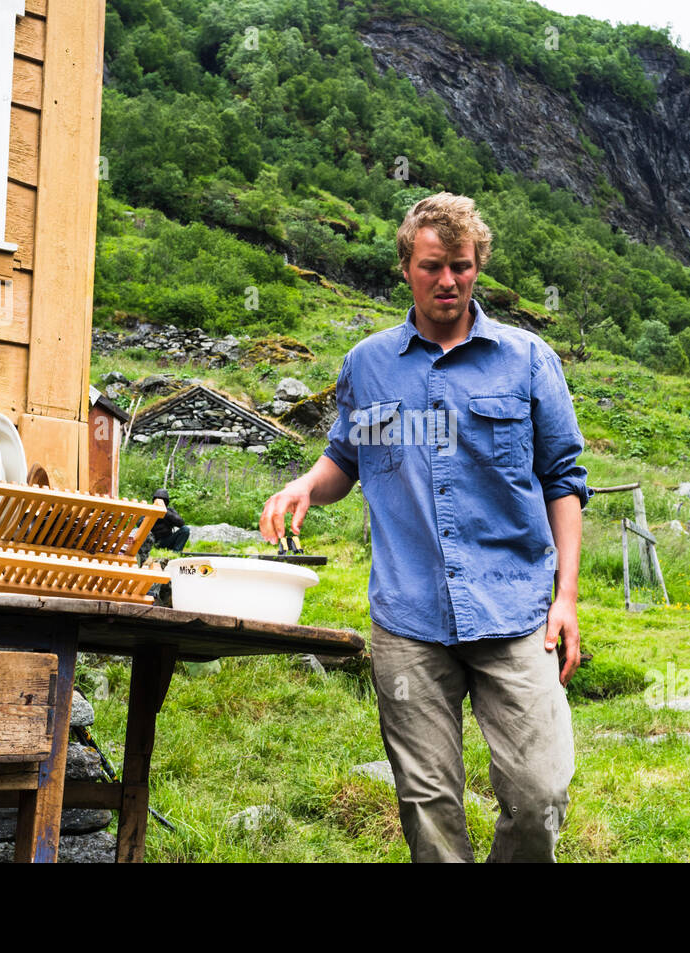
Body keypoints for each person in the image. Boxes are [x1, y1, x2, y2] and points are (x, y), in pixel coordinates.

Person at [261, 192, 591, 863]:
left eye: (463, 267)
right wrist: (303, 485)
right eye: (435, 266)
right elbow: (342, 463)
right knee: (429, 810)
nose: (450, 281)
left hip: (515, 609)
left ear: (478, 268)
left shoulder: (528, 360)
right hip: (409, 621)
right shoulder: (368, 365)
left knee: (538, 792)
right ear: (407, 268)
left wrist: (567, 598)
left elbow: (564, 480)